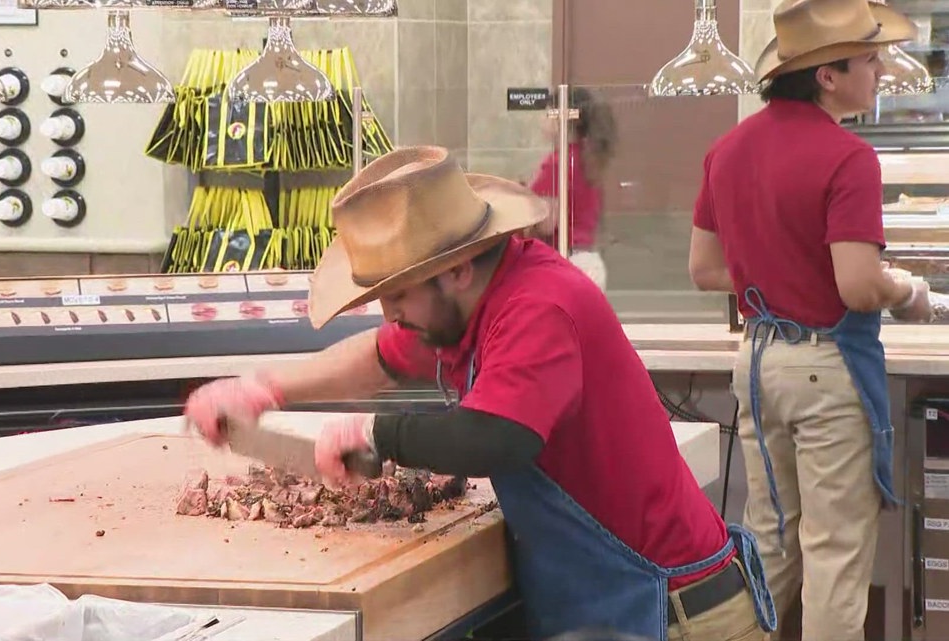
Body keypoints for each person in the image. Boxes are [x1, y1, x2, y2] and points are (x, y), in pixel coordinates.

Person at [185, 145, 775, 641]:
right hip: (610, 608)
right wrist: (262, 389)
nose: (387, 313)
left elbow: (499, 436)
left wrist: (374, 433)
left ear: (459, 269)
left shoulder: (538, 306)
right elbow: (383, 359)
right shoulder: (467, 307)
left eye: (399, 294)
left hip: (674, 612)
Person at [686, 0, 929, 639]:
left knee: (770, 538)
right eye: (868, 59)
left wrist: (778, 272)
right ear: (826, 74)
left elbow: (705, 269)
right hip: (827, 368)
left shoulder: (725, 150)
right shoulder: (849, 157)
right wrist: (908, 291)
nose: (878, 70)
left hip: (759, 364)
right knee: (836, 552)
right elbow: (857, 287)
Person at [526, 86, 617, 290]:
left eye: (547, 113)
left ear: (563, 118)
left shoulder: (557, 164)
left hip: (567, 262)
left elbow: (547, 222)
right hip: (590, 262)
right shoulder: (588, 160)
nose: (542, 120)